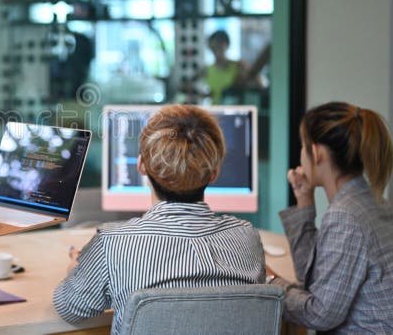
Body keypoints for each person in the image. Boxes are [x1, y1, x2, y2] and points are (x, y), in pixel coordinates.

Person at [53, 104, 265, 334]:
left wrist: (76, 269)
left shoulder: (112, 243)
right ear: (215, 172)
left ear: (141, 165)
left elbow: (70, 308)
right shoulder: (247, 237)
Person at [268, 102, 393, 333]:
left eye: (303, 145)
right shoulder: (370, 200)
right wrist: (304, 198)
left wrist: (271, 284)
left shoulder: (346, 216)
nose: (300, 154)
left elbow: (319, 314)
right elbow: (312, 280)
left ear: (317, 153)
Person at [203, 29, 250, 104]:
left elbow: (258, 85)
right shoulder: (207, 70)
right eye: (213, 48)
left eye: (219, 47)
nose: (216, 51)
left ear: (227, 45)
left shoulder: (239, 65)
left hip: (235, 108)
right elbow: (214, 93)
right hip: (215, 109)